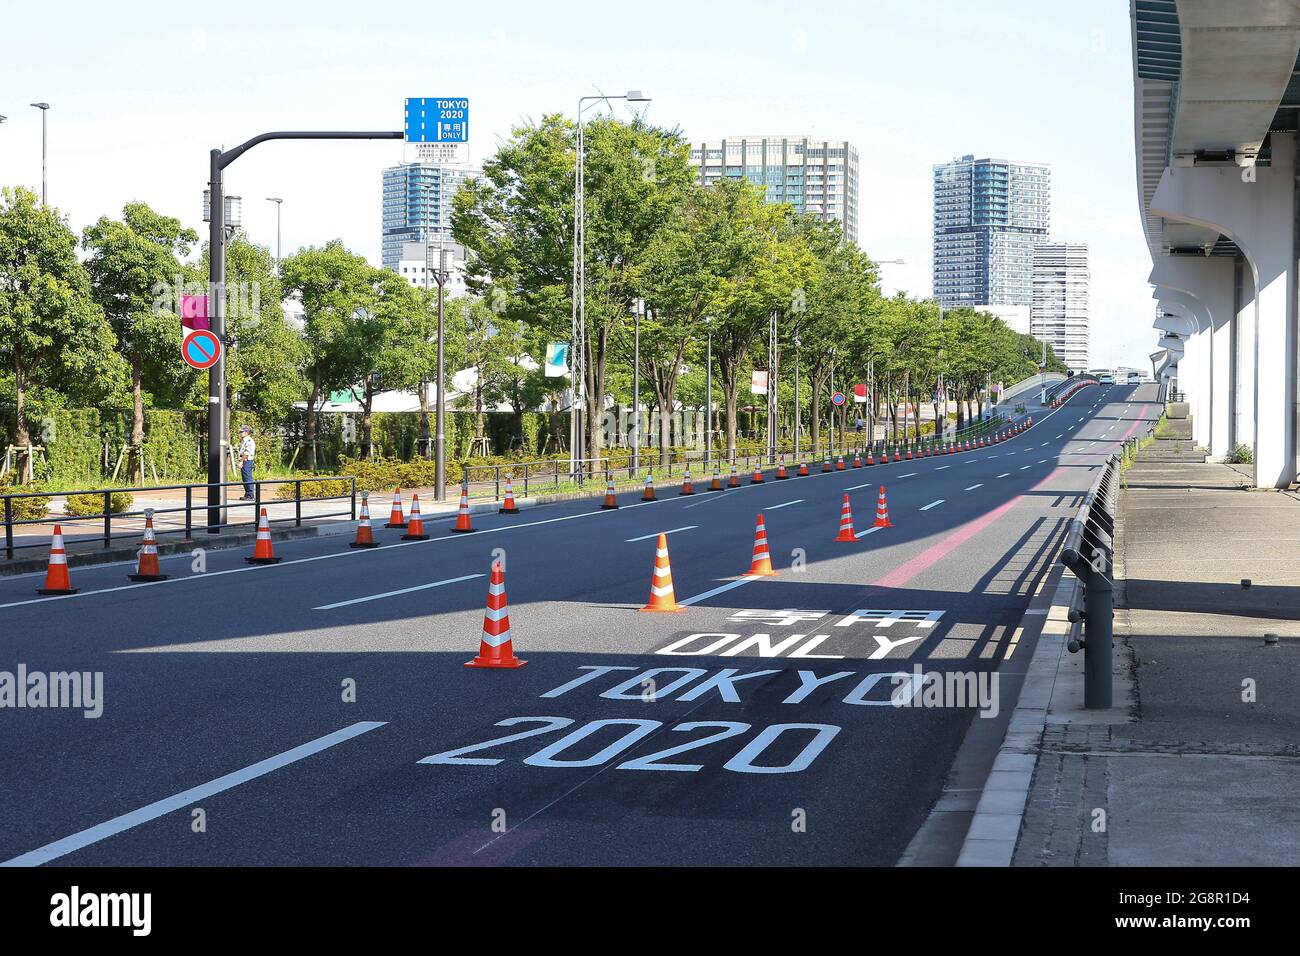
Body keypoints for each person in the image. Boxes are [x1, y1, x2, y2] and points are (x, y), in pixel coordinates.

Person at [237, 425, 256, 500]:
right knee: (245, 478)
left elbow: (246, 453)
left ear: (247, 432)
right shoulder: (244, 440)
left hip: (247, 461)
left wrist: (241, 461)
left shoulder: (249, 441)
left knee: (247, 478)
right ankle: (247, 494)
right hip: (244, 460)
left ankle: (250, 495)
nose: (240, 433)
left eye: (242, 431)